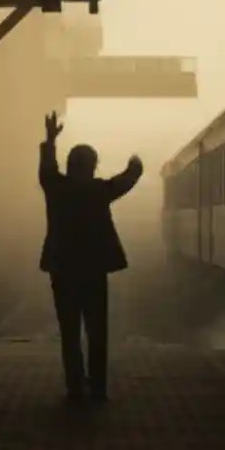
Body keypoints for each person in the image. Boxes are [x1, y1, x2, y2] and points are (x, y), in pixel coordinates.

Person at [38, 111, 142, 405]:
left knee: (69, 333)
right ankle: (98, 388)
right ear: (91, 167)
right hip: (94, 272)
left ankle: (75, 386)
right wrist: (135, 165)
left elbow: (46, 169)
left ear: (70, 166)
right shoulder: (98, 190)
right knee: (97, 331)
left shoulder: (56, 188)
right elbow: (126, 180)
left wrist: (49, 140)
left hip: (62, 270)